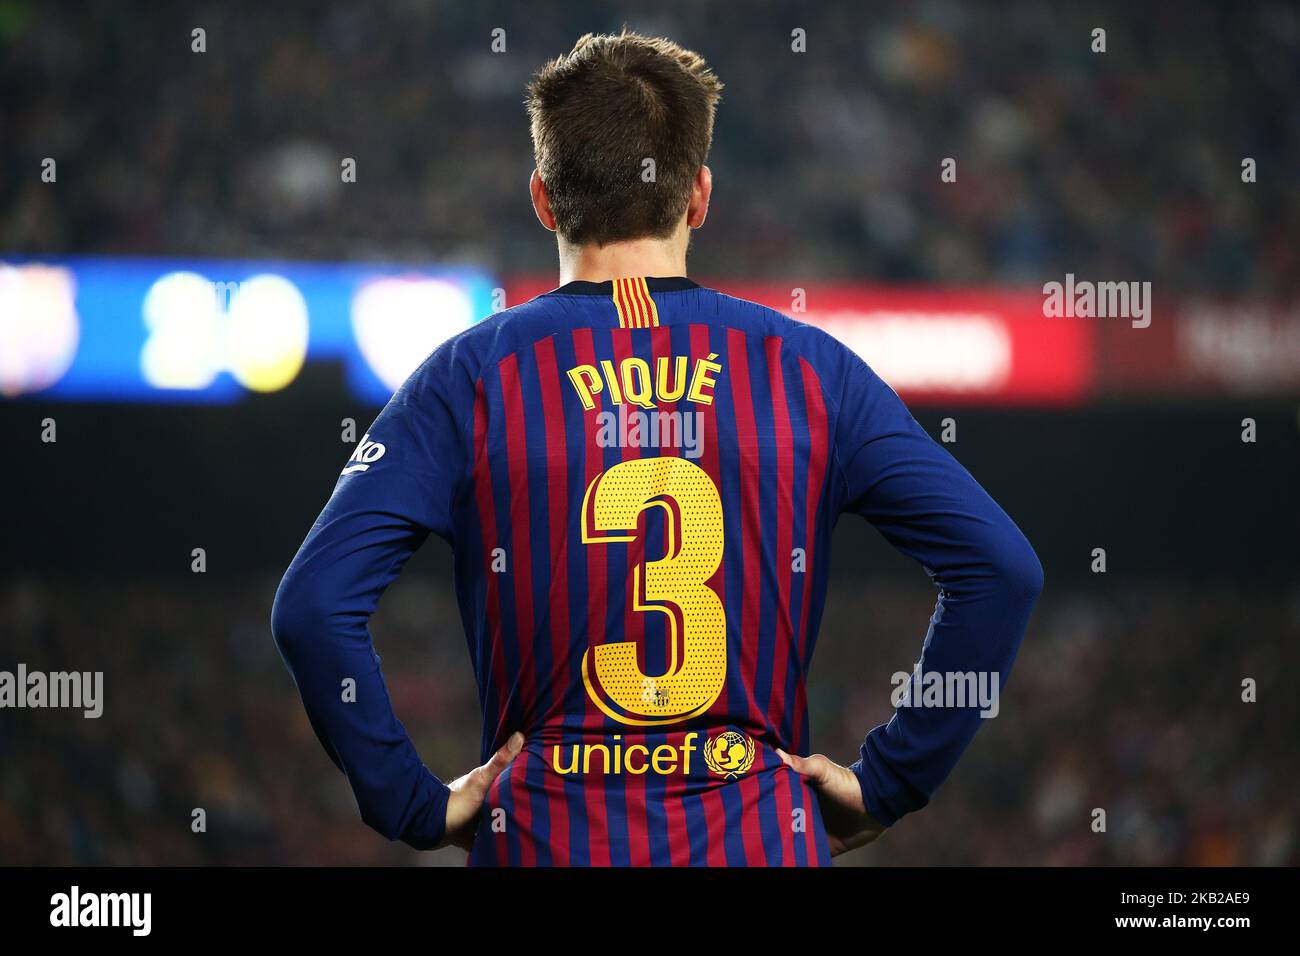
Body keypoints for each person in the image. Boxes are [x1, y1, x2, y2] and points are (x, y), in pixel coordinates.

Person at [272, 30, 1042, 866]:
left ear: (542, 197)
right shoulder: (809, 370)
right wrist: (891, 780)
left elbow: (313, 610)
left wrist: (412, 804)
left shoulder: (473, 377)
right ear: (700, 195)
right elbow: (1000, 570)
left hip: (546, 837)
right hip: (754, 835)